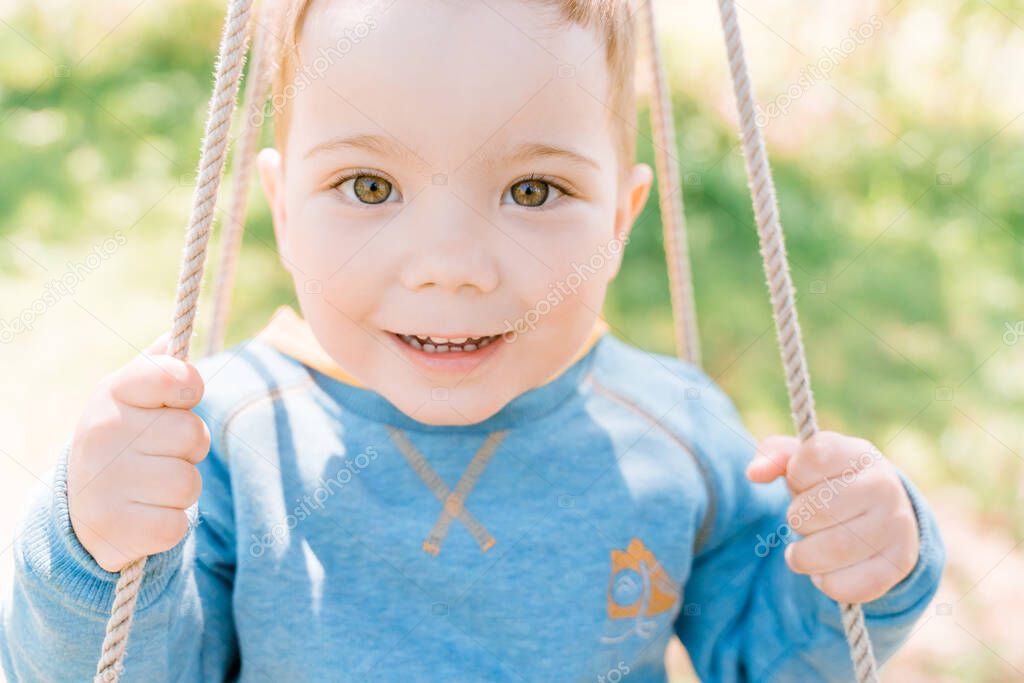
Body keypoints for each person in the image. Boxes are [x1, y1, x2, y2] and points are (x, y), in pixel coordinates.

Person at [0, 1, 944, 680]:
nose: (449, 264)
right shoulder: (224, 439)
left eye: (533, 191)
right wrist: (93, 548)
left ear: (621, 219)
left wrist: (865, 563)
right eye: (370, 188)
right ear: (280, 210)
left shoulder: (676, 426)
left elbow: (776, 658)